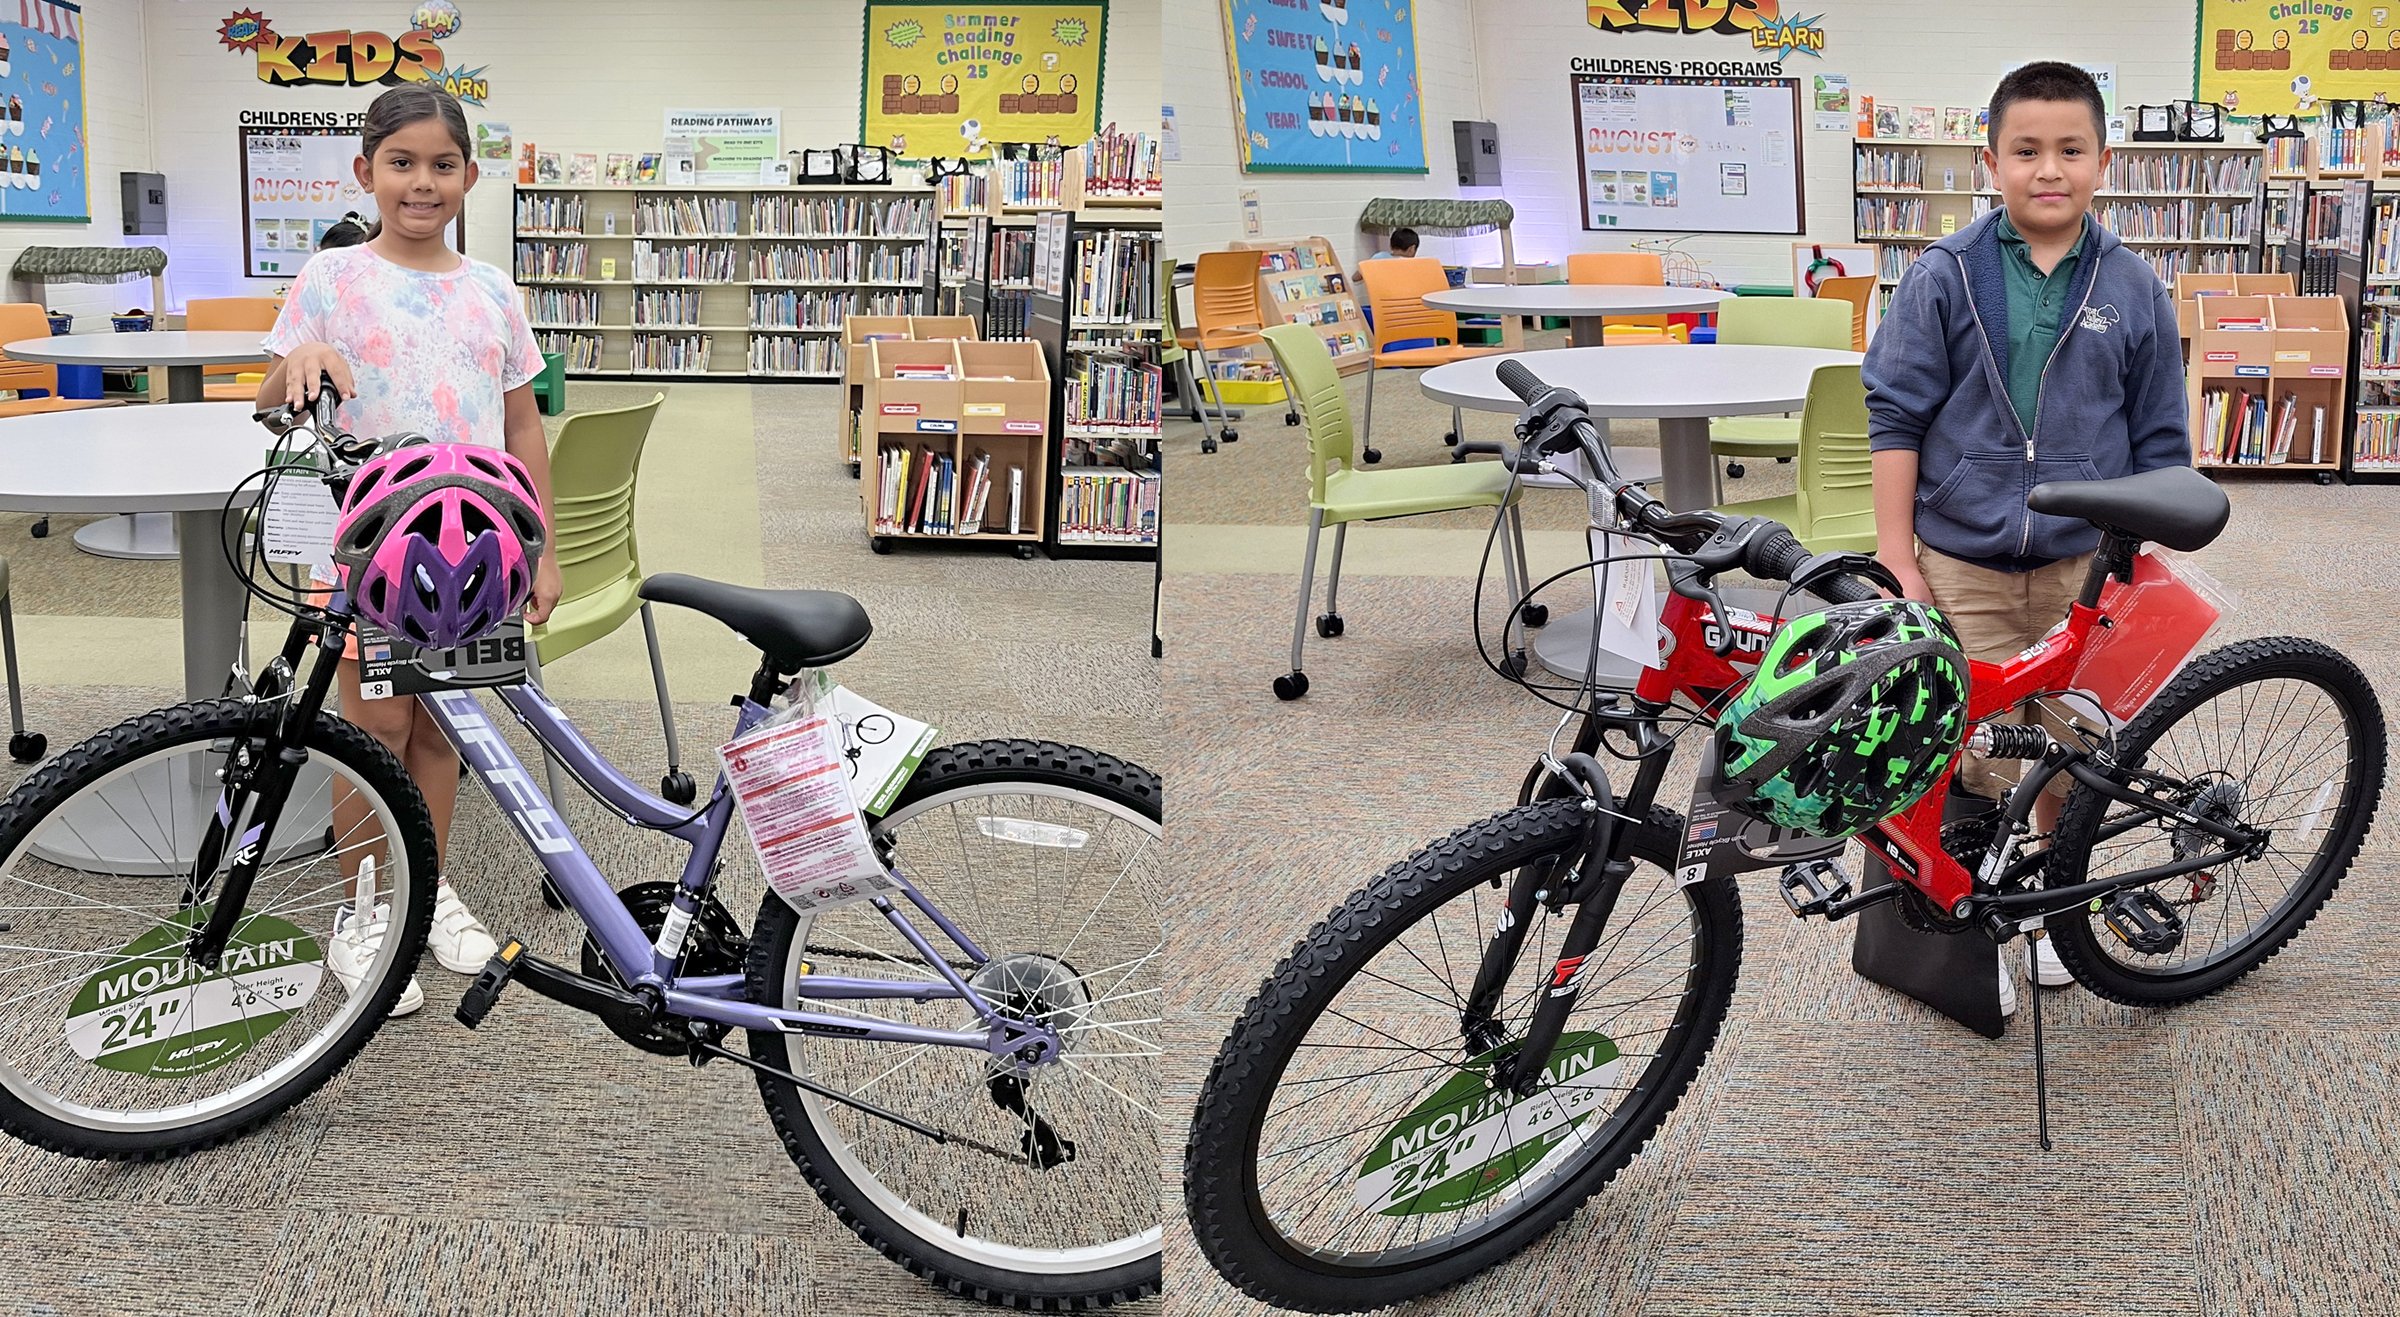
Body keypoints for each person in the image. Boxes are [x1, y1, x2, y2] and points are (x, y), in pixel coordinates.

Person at [1861, 61, 2190, 1013]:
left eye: (2071, 150)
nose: (2050, 169)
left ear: (2104, 160)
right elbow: (1896, 419)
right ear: (1991, 159)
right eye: (2027, 150)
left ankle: (2047, 907)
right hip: (1959, 561)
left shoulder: (2135, 288)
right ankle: (1979, 910)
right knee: (1980, 745)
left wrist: (2136, 565)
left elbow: (2161, 443)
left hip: (2081, 565)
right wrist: (1896, 553)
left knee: (2070, 743)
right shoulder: (1944, 275)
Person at [257, 83, 561, 1017]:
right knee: (373, 733)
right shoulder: (330, 281)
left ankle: (422, 890)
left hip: (473, 561)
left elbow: (523, 423)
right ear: (366, 172)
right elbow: (270, 400)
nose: (421, 184)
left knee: (443, 732)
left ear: (469, 177)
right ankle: (365, 907)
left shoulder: (493, 292)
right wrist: (296, 368)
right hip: (369, 559)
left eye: (441, 166)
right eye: (401, 164)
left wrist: (540, 546)